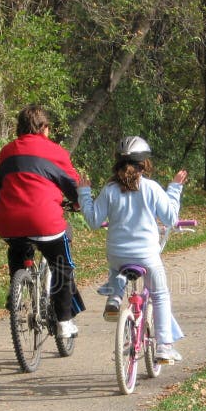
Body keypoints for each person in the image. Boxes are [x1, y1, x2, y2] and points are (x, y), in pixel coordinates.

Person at [78, 136, 188, 363]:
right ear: (144, 164)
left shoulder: (109, 190)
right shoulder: (152, 188)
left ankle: (115, 296)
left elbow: (94, 220)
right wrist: (175, 189)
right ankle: (164, 346)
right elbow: (170, 218)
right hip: (146, 255)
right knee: (159, 295)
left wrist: (84, 193)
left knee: (115, 268)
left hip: (117, 255)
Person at [0, 104, 84, 339]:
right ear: (43, 128)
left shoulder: (6, 151)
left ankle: (16, 290)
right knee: (62, 265)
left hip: (8, 220)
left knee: (18, 246)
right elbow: (73, 186)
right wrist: (77, 203)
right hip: (44, 221)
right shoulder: (55, 151)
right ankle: (64, 321)